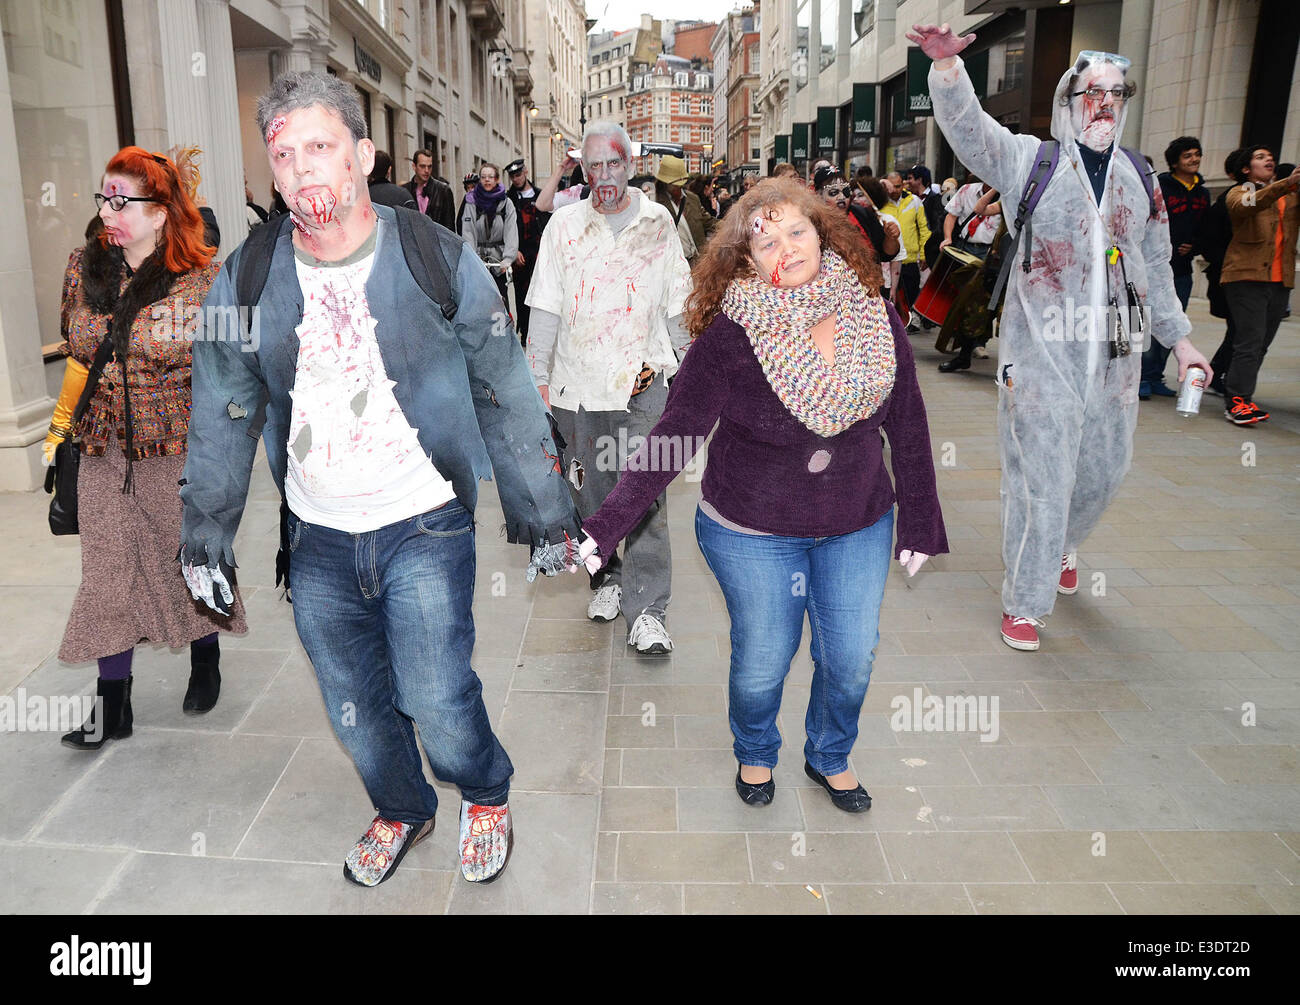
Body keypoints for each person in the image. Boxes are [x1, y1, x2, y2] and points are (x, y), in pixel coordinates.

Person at [180, 70, 580, 887]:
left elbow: (502, 382)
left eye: (319, 147)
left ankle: (486, 789)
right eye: (283, 154)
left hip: (424, 519)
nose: (300, 170)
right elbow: (222, 408)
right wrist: (205, 534)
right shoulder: (248, 275)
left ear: (361, 154)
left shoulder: (434, 253)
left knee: (436, 694)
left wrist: (546, 511)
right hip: (317, 535)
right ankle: (403, 806)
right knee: (352, 709)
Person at [572, 178, 947, 810]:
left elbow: (906, 418)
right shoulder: (731, 332)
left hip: (856, 519)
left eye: (797, 230)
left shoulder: (873, 312)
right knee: (764, 659)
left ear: (822, 234)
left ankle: (829, 754)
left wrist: (920, 520)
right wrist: (607, 524)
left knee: (851, 657)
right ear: (745, 259)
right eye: (765, 240)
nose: (786, 248)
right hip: (752, 527)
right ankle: (754, 750)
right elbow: (675, 434)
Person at [909, 24, 1212, 652]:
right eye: (1091, 93)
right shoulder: (1030, 160)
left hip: (1118, 350)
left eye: (1116, 95)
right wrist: (946, 69)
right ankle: (1026, 598)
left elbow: (1155, 265)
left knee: (1105, 468)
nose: (1103, 105)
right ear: (1068, 100)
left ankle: (1063, 542)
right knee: (1040, 477)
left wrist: (1181, 343)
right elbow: (972, 134)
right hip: (1040, 353)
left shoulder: (1139, 176)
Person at [42, 146, 247, 750]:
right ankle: (113, 706)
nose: (110, 210)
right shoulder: (85, 267)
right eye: (105, 197)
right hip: (103, 448)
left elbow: (230, 369)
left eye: (123, 201)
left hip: (177, 449)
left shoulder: (204, 279)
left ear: (160, 212)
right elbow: (75, 343)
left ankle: (205, 659)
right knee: (106, 574)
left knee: (184, 563)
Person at [526, 122, 693, 654]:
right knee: (592, 493)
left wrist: (690, 369)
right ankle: (608, 580)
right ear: (584, 169)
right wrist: (537, 380)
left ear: (630, 163)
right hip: (579, 385)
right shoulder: (564, 226)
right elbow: (545, 308)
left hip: (644, 381)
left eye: (613, 164)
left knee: (643, 494)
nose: (604, 177)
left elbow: (676, 305)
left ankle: (649, 610)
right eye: (593, 166)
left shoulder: (658, 222)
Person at [1219, 145, 1300, 424]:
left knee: (1261, 344)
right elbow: (1247, 206)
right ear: (1245, 169)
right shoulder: (1240, 192)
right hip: (1245, 277)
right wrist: (1285, 185)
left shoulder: (1290, 198)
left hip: (1280, 280)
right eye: (1260, 157)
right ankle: (1237, 401)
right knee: (1249, 343)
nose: (1269, 159)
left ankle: (1237, 392)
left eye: (1270, 157)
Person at [1141, 136, 1210, 399]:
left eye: (1197, 154)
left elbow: (1208, 227)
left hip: (1181, 270)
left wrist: (1194, 246)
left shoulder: (1202, 192)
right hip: (1154, 269)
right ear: (1175, 162)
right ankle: (1142, 377)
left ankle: (1156, 375)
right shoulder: (1163, 188)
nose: (1194, 159)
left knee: (1173, 324)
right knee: (1148, 324)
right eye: (1187, 156)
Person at [936, 178, 1003, 371]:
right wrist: (948, 238)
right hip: (969, 249)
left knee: (993, 307)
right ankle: (964, 349)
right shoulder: (969, 191)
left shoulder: (1009, 197)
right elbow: (977, 210)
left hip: (996, 256)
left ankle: (978, 342)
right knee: (969, 301)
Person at [813, 164, 900, 265]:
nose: (841, 197)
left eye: (845, 191)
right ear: (818, 195)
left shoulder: (862, 214)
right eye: (834, 192)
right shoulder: (812, 223)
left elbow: (886, 254)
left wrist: (891, 237)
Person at [504, 157, 549, 347]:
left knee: (540, 295)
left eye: (519, 174)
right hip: (520, 252)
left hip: (538, 251)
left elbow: (547, 224)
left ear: (526, 172)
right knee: (522, 295)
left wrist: (545, 251)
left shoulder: (540, 195)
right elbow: (508, 227)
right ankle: (525, 332)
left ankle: (540, 334)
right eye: (513, 176)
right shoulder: (508, 198)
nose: (516, 179)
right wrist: (514, 251)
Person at [459, 162, 518, 305]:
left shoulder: (506, 203)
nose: (487, 180)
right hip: (479, 260)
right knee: (478, 303)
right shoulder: (471, 202)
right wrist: (472, 258)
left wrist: (508, 258)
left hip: (499, 262)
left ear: (497, 179)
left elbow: (511, 231)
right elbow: (468, 231)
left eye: (490, 177)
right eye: (483, 177)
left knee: (501, 302)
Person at [880, 170, 931, 329]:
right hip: (889, 262)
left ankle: (911, 322)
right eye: (891, 187)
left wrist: (924, 254)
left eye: (898, 186)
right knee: (890, 296)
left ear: (903, 185)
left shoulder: (914, 201)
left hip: (910, 259)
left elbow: (923, 228)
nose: (894, 190)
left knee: (911, 294)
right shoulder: (880, 204)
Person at [655, 154, 715, 264]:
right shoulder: (655, 204)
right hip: (672, 266)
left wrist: (733, 225)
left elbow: (709, 222)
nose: (678, 188)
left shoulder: (692, 199)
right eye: (675, 185)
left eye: (680, 184)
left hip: (697, 262)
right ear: (664, 183)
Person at [403, 148, 456, 230]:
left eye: (429, 166)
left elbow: (449, 226)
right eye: (422, 166)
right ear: (414, 166)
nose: (426, 170)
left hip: (436, 240)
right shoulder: (405, 190)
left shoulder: (443, 190)